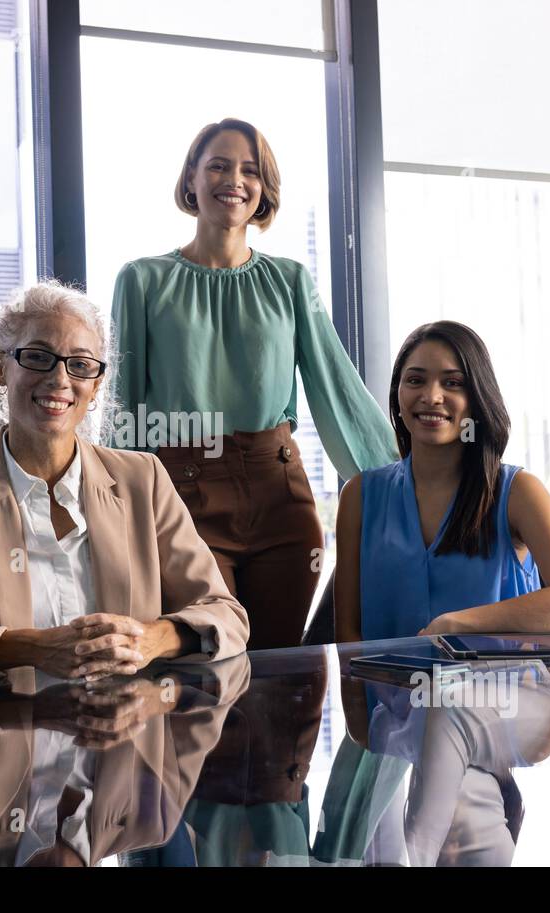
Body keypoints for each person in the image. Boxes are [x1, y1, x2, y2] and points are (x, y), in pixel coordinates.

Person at [0, 281, 249, 686]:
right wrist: (28, 648)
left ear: (96, 385)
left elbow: (225, 615)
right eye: (39, 357)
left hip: (124, 736)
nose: (60, 379)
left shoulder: (142, 479)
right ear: (0, 368)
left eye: (80, 364)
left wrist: (151, 639)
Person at [111, 118, 397, 649]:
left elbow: (335, 385)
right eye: (218, 165)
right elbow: (123, 405)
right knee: (206, 671)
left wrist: (404, 485)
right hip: (180, 493)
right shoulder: (142, 280)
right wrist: (112, 512)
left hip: (278, 493)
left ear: (263, 189)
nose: (234, 179)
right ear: (191, 178)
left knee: (284, 681)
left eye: (250, 170)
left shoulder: (289, 280)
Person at [334, 320, 550, 642]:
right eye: (416, 380)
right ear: (398, 394)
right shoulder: (359, 496)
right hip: (390, 691)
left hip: (501, 690)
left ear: (477, 397)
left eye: (453, 383)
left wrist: (457, 624)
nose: (432, 396)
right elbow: (348, 638)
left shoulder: (518, 492)